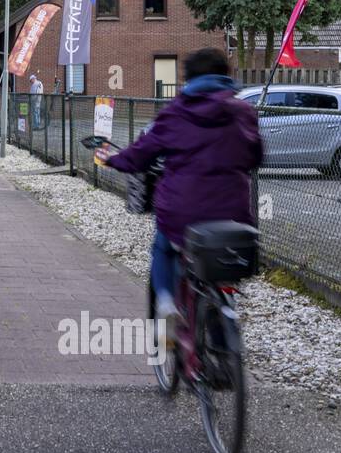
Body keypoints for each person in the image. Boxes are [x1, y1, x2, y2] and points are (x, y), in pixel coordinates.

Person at [97, 48, 262, 332]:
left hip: (183, 212)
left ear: (188, 78)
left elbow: (141, 154)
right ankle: (223, 321)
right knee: (220, 268)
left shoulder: (176, 112)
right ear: (226, 75)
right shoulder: (243, 111)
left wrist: (113, 159)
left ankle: (165, 304)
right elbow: (255, 156)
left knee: (164, 248)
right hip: (232, 211)